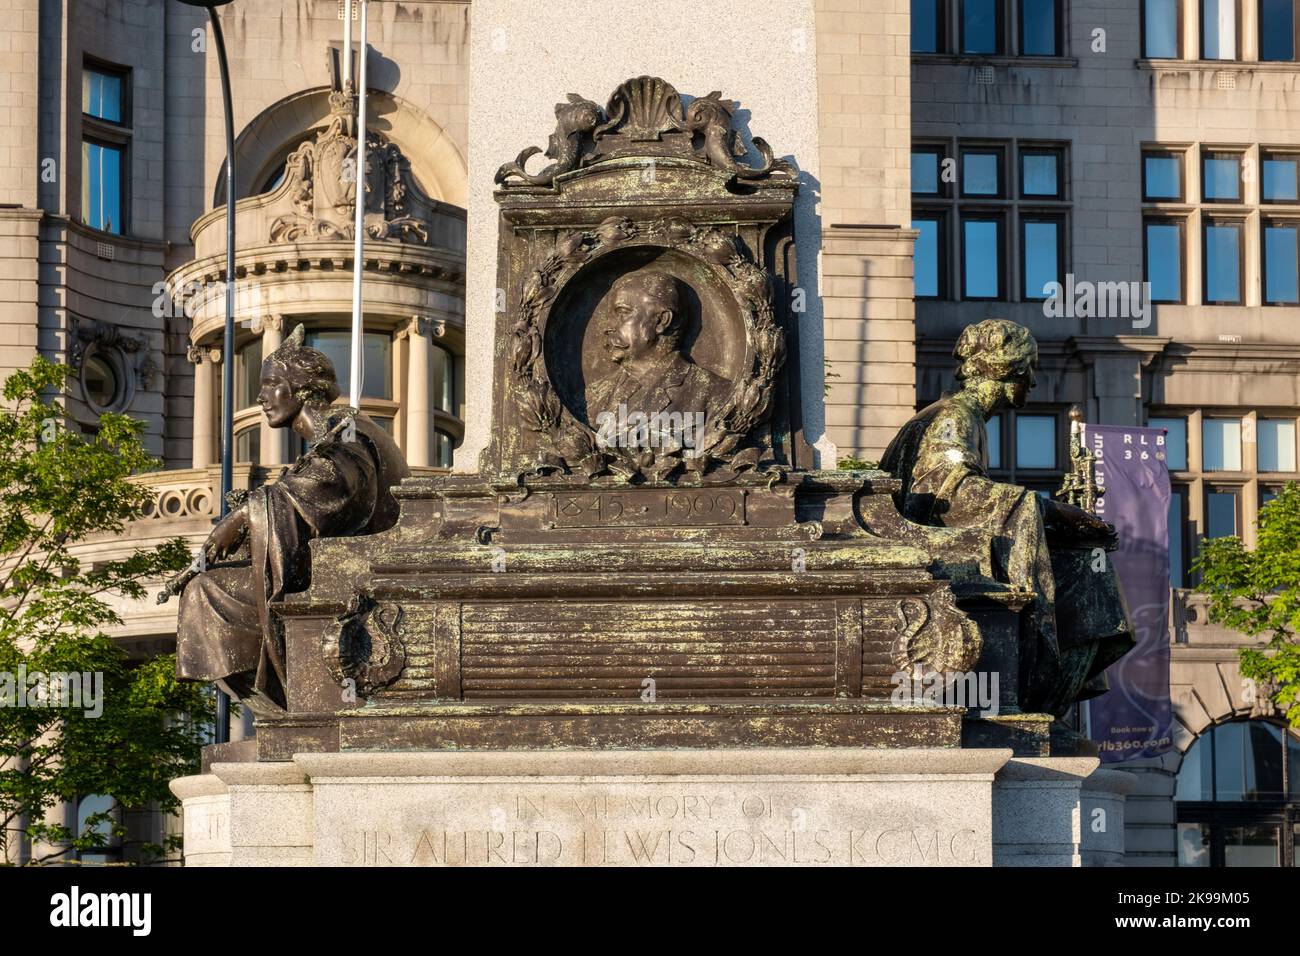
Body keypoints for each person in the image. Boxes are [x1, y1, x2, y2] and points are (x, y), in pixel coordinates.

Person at [880, 318, 1132, 716]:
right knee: (1086, 569)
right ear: (1005, 368)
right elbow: (953, 493)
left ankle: (1047, 692)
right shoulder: (954, 417)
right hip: (930, 549)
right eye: (1029, 368)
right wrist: (1052, 510)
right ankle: (1041, 691)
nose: (1033, 381)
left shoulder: (965, 417)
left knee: (1084, 560)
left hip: (944, 543)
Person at [174, 324, 409, 713]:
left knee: (206, 594)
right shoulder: (332, 436)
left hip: (361, 580)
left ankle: (284, 712)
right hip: (341, 572)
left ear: (301, 389)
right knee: (205, 589)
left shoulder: (346, 431)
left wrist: (246, 514)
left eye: (270, 384)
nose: (261, 397)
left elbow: (330, 491)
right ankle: (279, 714)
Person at [584, 270, 728, 437]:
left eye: (622, 313)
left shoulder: (714, 393)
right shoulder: (595, 395)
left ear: (661, 321)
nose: (608, 326)